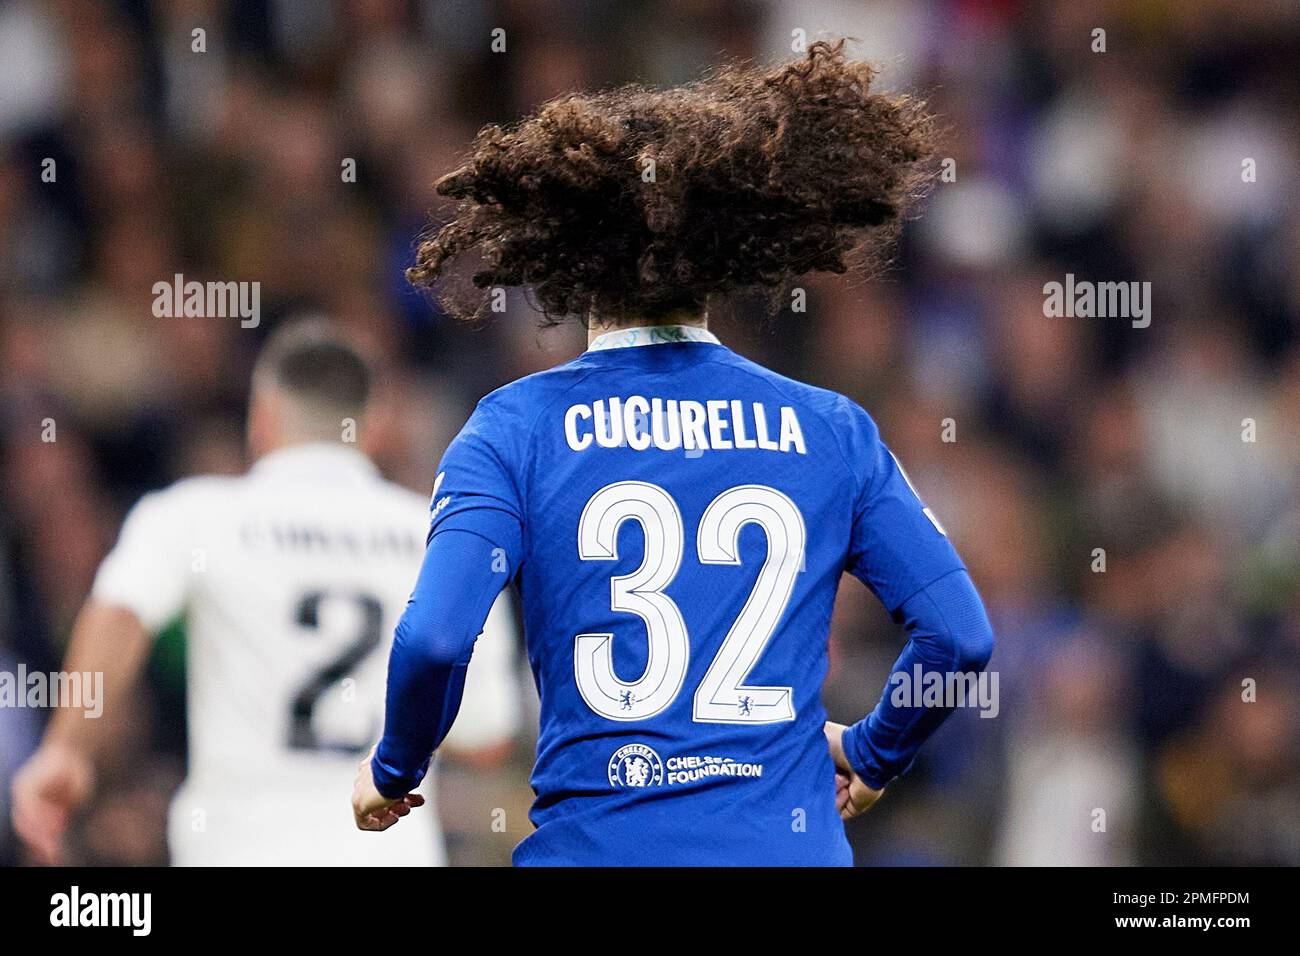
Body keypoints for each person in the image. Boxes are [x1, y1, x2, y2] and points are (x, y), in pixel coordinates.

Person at [352, 40, 995, 866]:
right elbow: (960, 639)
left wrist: (395, 766)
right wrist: (874, 753)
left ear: (567, 255)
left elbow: (438, 639)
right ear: (727, 254)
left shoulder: (512, 427)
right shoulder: (831, 429)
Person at [12, 321, 519, 866]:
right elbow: (487, 734)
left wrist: (66, 750)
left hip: (236, 848)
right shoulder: (437, 534)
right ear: (371, 428)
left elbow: (122, 609)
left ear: (262, 418)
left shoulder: (195, 514)